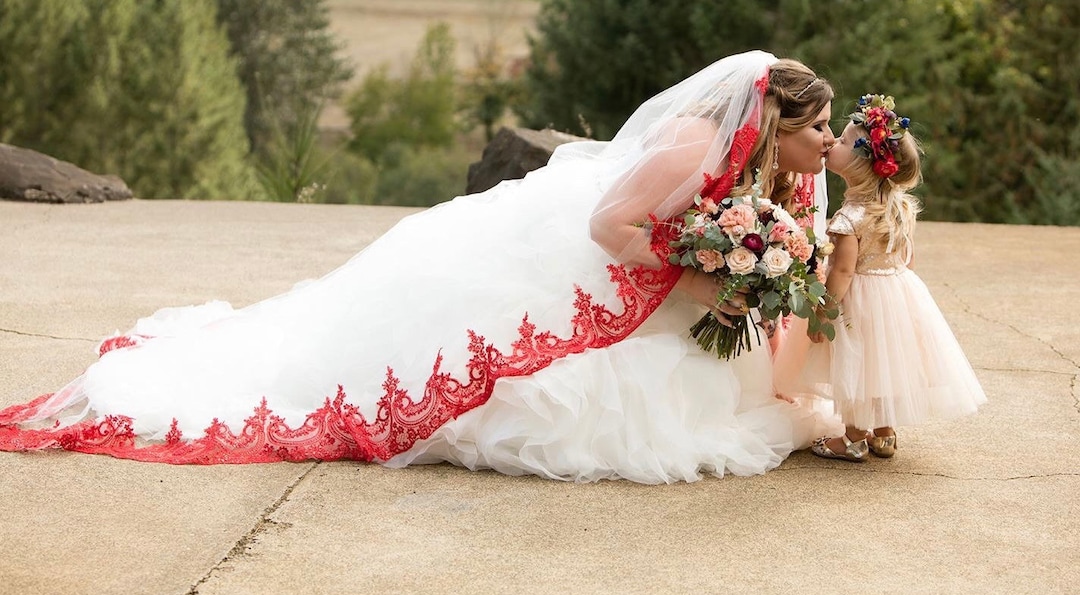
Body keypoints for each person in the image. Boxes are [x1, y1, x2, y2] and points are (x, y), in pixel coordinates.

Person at [0, 51, 840, 483]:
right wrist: (698, 279)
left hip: (659, 274)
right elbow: (607, 224)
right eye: (818, 131)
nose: (825, 148)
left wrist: (738, 271)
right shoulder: (697, 144)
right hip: (593, 257)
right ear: (774, 116)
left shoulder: (773, 165)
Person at [799, 94, 986, 462]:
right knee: (883, 365)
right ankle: (884, 433)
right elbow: (908, 257)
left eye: (841, 141)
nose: (831, 143)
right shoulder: (898, 206)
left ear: (860, 164)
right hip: (896, 292)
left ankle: (852, 438)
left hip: (859, 299)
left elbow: (843, 269)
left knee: (857, 365)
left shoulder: (849, 217)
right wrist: (905, 299)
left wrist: (825, 310)